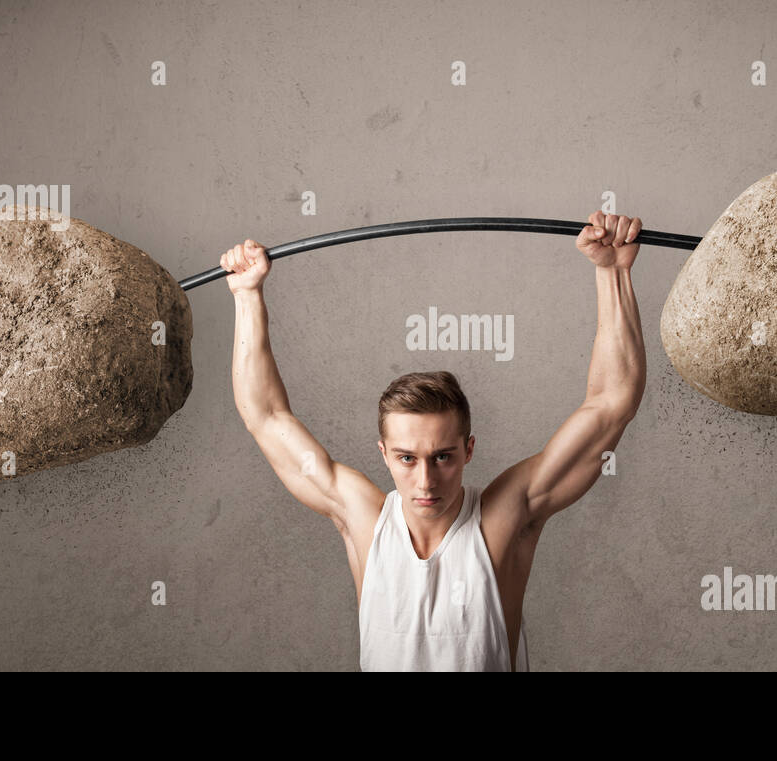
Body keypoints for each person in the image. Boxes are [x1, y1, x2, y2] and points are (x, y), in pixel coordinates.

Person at [220, 211, 646, 671]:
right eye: (406, 458)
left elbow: (611, 403)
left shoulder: (504, 518)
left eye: (442, 457)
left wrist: (613, 272)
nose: (425, 480)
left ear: (468, 450)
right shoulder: (364, 520)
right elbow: (264, 416)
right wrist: (246, 295)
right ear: (383, 453)